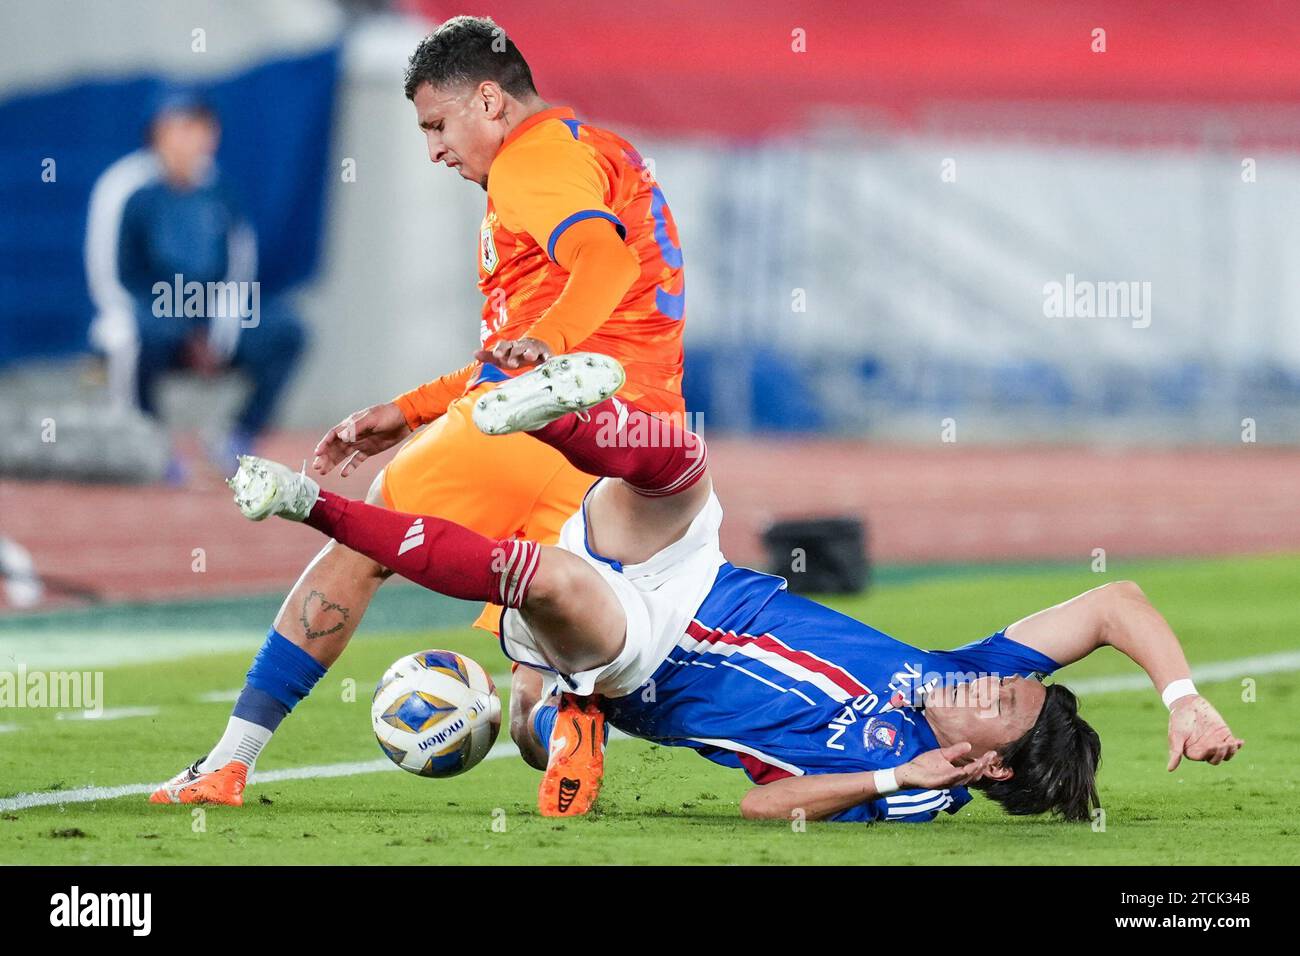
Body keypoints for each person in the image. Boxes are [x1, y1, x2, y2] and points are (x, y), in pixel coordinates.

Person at [204, 354, 1244, 821]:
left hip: (643, 660)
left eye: (999, 709)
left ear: (992, 767)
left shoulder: (914, 785)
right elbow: (1116, 605)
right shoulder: (957, 670)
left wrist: (892, 780)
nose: (988, 687)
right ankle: (553, 412)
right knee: (680, 467)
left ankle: (308, 503)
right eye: (1009, 687)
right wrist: (1180, 696)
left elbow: (765, 805)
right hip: (691, 572)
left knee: (547, 578)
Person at [151, 16, 689, 806]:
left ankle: (228, 762)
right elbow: (540, 328)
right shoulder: (603, 151)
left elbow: (599, 263)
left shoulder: (529, 164)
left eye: (438, 125)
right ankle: (572, 715)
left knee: (362, 542)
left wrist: (544, 355)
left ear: (488, 100)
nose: (434, 149)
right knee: (530, 704)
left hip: (540, 423)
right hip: (630, 454)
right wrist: (410, 410)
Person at [84, 91, 306, 479]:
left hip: (211, 320)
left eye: (202, 128)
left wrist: (215, 332)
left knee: (287, 331)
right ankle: (144, 446)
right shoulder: (125, 188)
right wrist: (175, 327)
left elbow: (239, 272)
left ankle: (236, 438)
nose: (193, 139)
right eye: (182, 128)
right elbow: (109, 278)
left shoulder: (220, 191)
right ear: (158, 135)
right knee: (131, 337)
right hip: (143, 315)